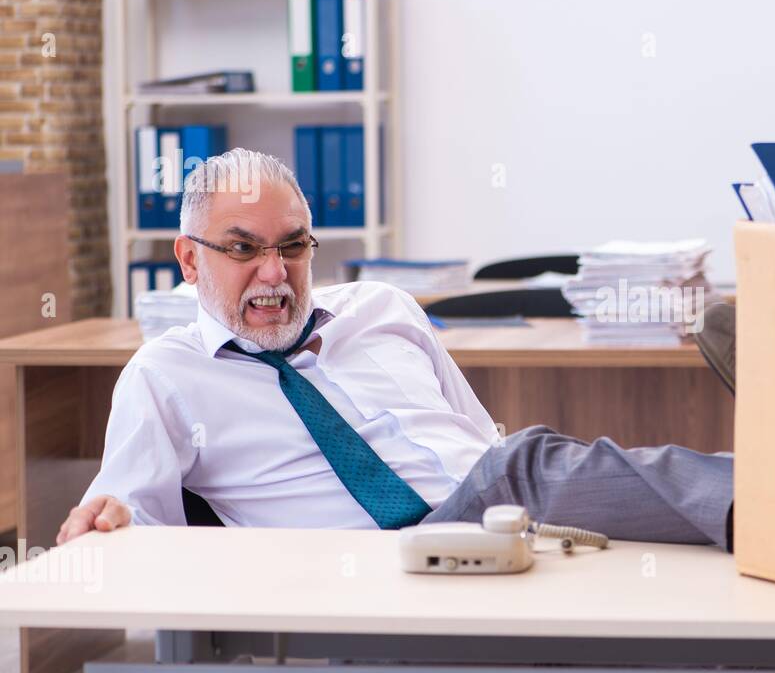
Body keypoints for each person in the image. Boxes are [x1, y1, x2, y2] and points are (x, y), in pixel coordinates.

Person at [55, 149, 734, 551]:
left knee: (531, 470)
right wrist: (109, 519)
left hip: (487, 516)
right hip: (365, 566)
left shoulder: (379, 308)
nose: (273, 270)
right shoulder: (166, 374)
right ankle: (770, 502)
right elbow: (130, 512)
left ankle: (772, 505)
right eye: (242, 248)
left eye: (293, 245)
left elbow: (476, 441)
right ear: (189, 260)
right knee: (530, 466)